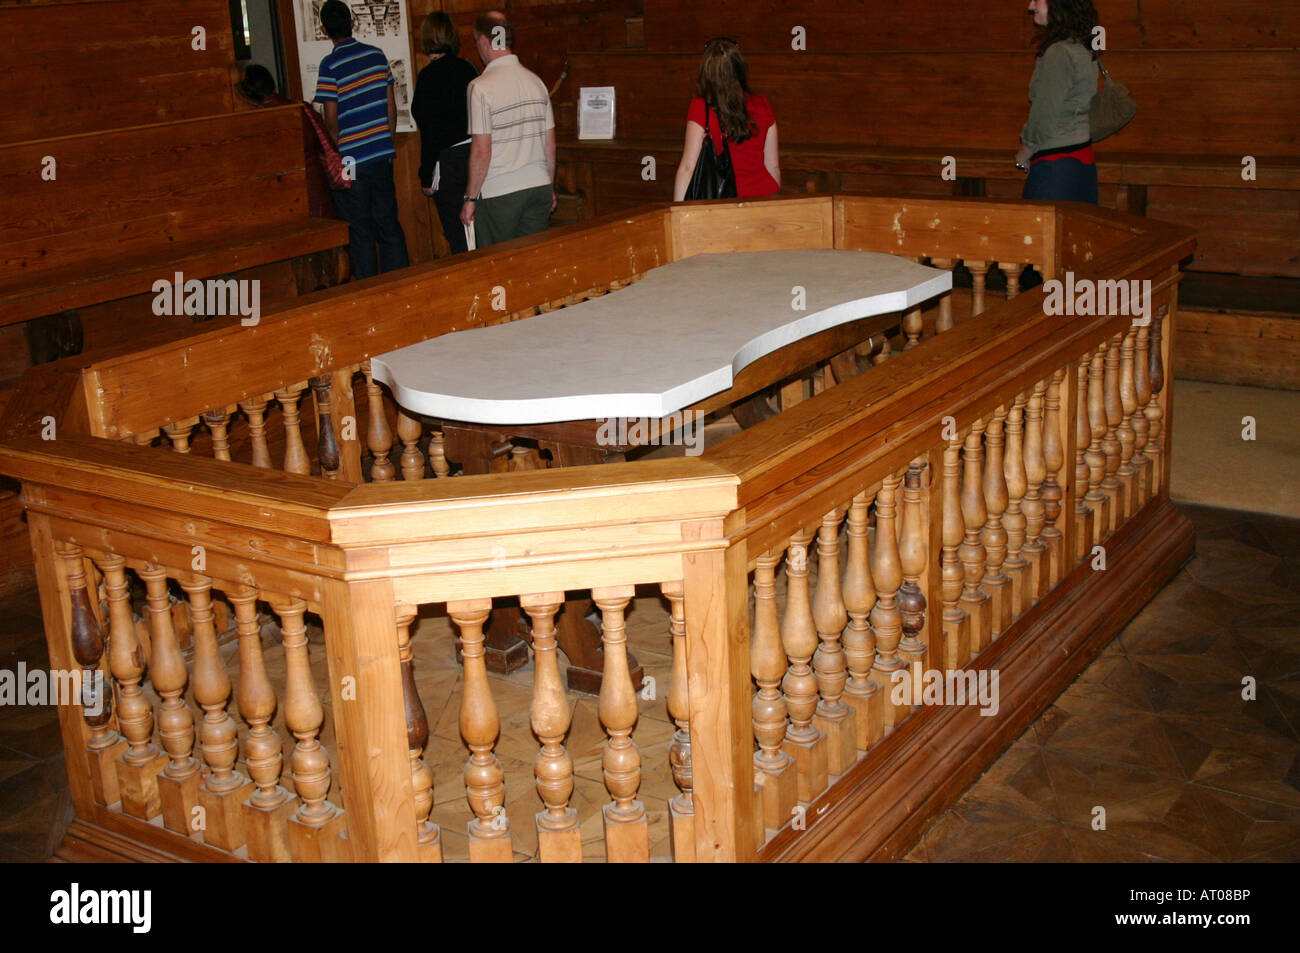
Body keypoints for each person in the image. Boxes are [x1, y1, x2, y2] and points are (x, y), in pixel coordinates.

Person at [313, 0, 410, 279]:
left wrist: (338, 152)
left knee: (360, 228)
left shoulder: (330, 65)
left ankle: (369, 289)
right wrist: (387, 143)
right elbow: (390, 107)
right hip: (380, 153)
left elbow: (331, 118)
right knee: (388, 223)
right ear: (353, 22)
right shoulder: (377, 56)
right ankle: (400, 283)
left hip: (351, 159)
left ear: (323, 30)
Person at [460, 10, 557, 248]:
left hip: (500, 193)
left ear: (483, 41)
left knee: (498, 266)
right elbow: (550, 145)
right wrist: (549, 186)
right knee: (533, 263)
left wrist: (470, 198)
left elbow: (482, 152)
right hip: (538, 186)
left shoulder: (480, 87)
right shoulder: (536, 82)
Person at [672, 37, 780, 201]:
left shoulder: (701, 107)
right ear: (740, 68)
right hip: (764, 195)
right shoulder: (762, 104)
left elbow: (688, 168)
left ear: (706, 71)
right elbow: (773, 166)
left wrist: (678, 212)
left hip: (725, 201)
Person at [1017, 0, 1100, 203]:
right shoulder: (1081, 47)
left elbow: (1044, 114)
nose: (1030, 6)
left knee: (1037, 233)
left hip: (1056, 166)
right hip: (1081, 159)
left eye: (1037, 0)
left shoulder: (1058, 53)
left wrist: (1024, 153)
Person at [412, 12, 479, 255]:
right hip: (476, 155)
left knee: (457, 236)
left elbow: (431, 134)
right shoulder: (468, 69)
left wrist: (426, 176)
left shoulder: (428, 77)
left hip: (448, 163)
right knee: (480, 232)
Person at [236, 64, 338, 220]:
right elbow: (326, 145)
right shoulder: (301, 108)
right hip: (317, 197)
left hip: (283, 205)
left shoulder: (254, 123)